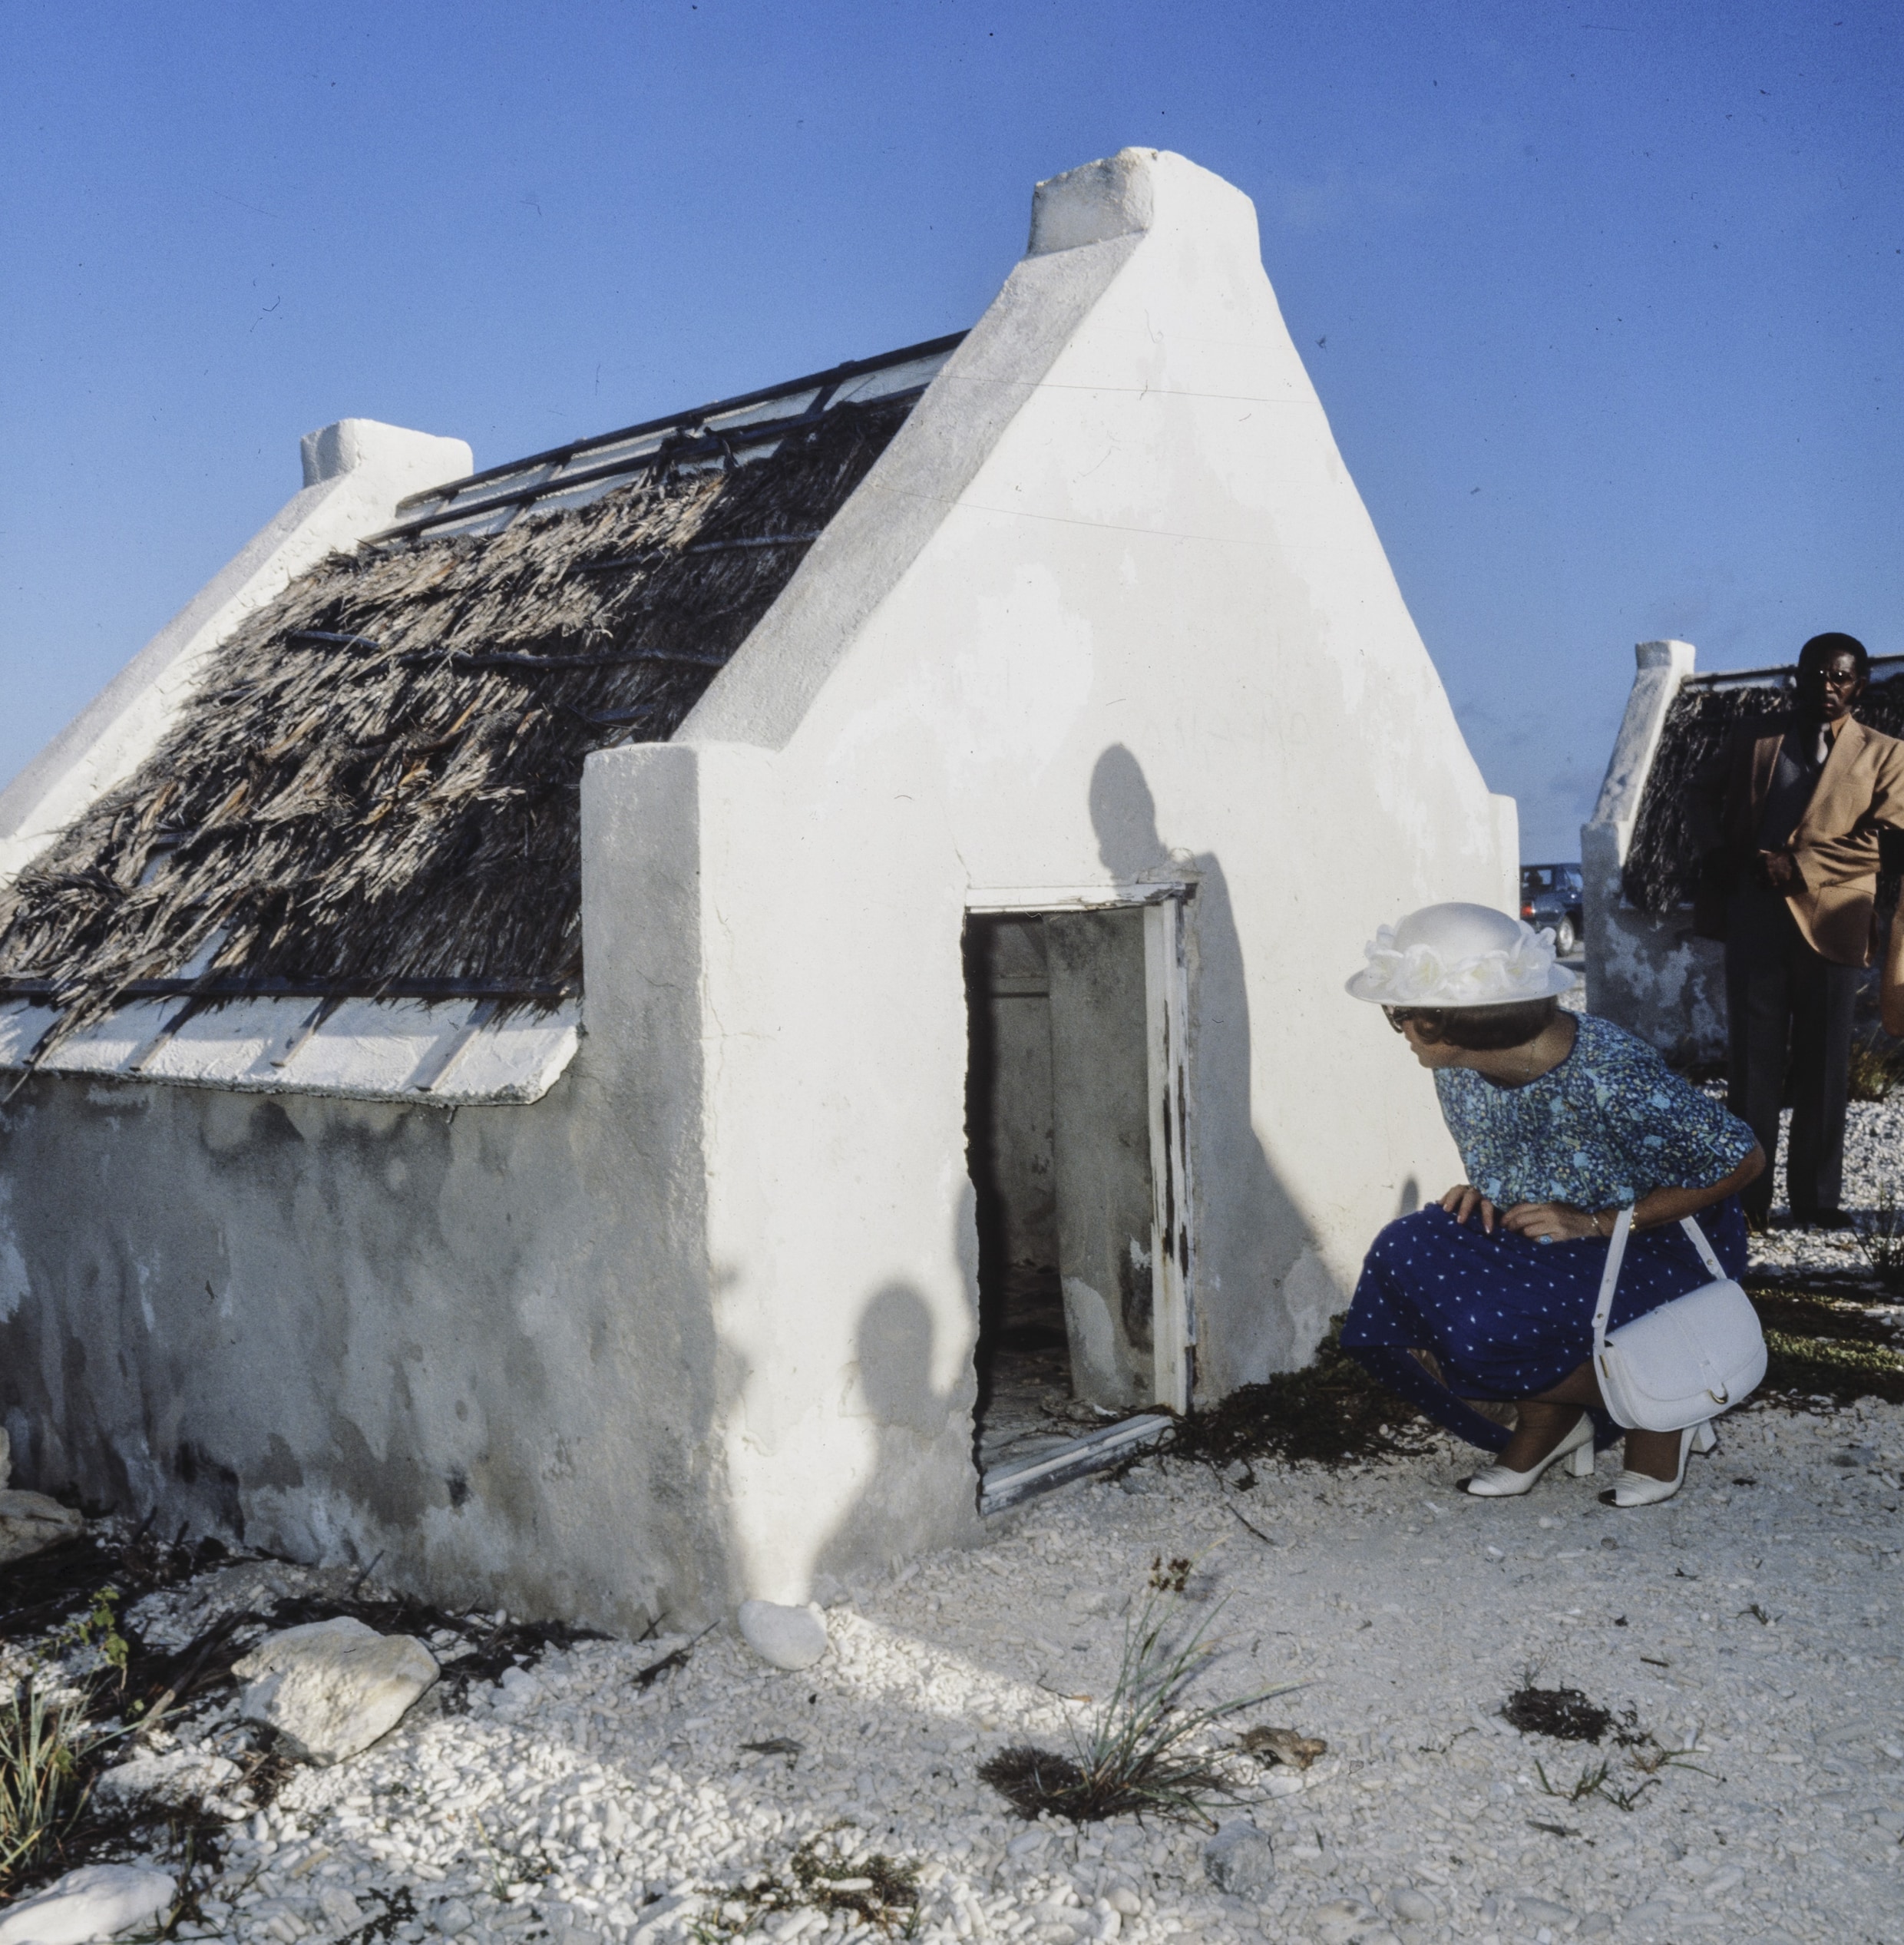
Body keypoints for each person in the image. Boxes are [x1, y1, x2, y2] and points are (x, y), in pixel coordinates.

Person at [1339, 902, 1765, 1508]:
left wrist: (1601, 1221)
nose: (1398, 1029)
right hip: (1548, 1227)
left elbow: (1744, 1160)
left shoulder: (1612, 1076)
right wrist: (1487, 1185)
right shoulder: (1457, 1065)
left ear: (1454, 1023)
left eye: (1401, 1015)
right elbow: (1519, 1148)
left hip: (1657, 1236)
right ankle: (1557, 1415)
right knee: (1402, 1252)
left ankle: (1663, 1407)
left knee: (1487, 1322)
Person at [1693, 632, 1904, 1228]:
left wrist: (1803, 868)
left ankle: (1817, 1203)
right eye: (1818, 674)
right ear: (1798, 675)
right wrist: (1715, 851)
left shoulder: (1887, 753)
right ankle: (1746, 1203)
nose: (1828, 687)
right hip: (1755, 922)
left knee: (1824, 1066)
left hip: (1834, 927)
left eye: (1841, 678)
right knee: (1752, 1069)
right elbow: (1696, 794)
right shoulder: (1752, 738)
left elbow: (1888, 842)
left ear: (1860, 685)